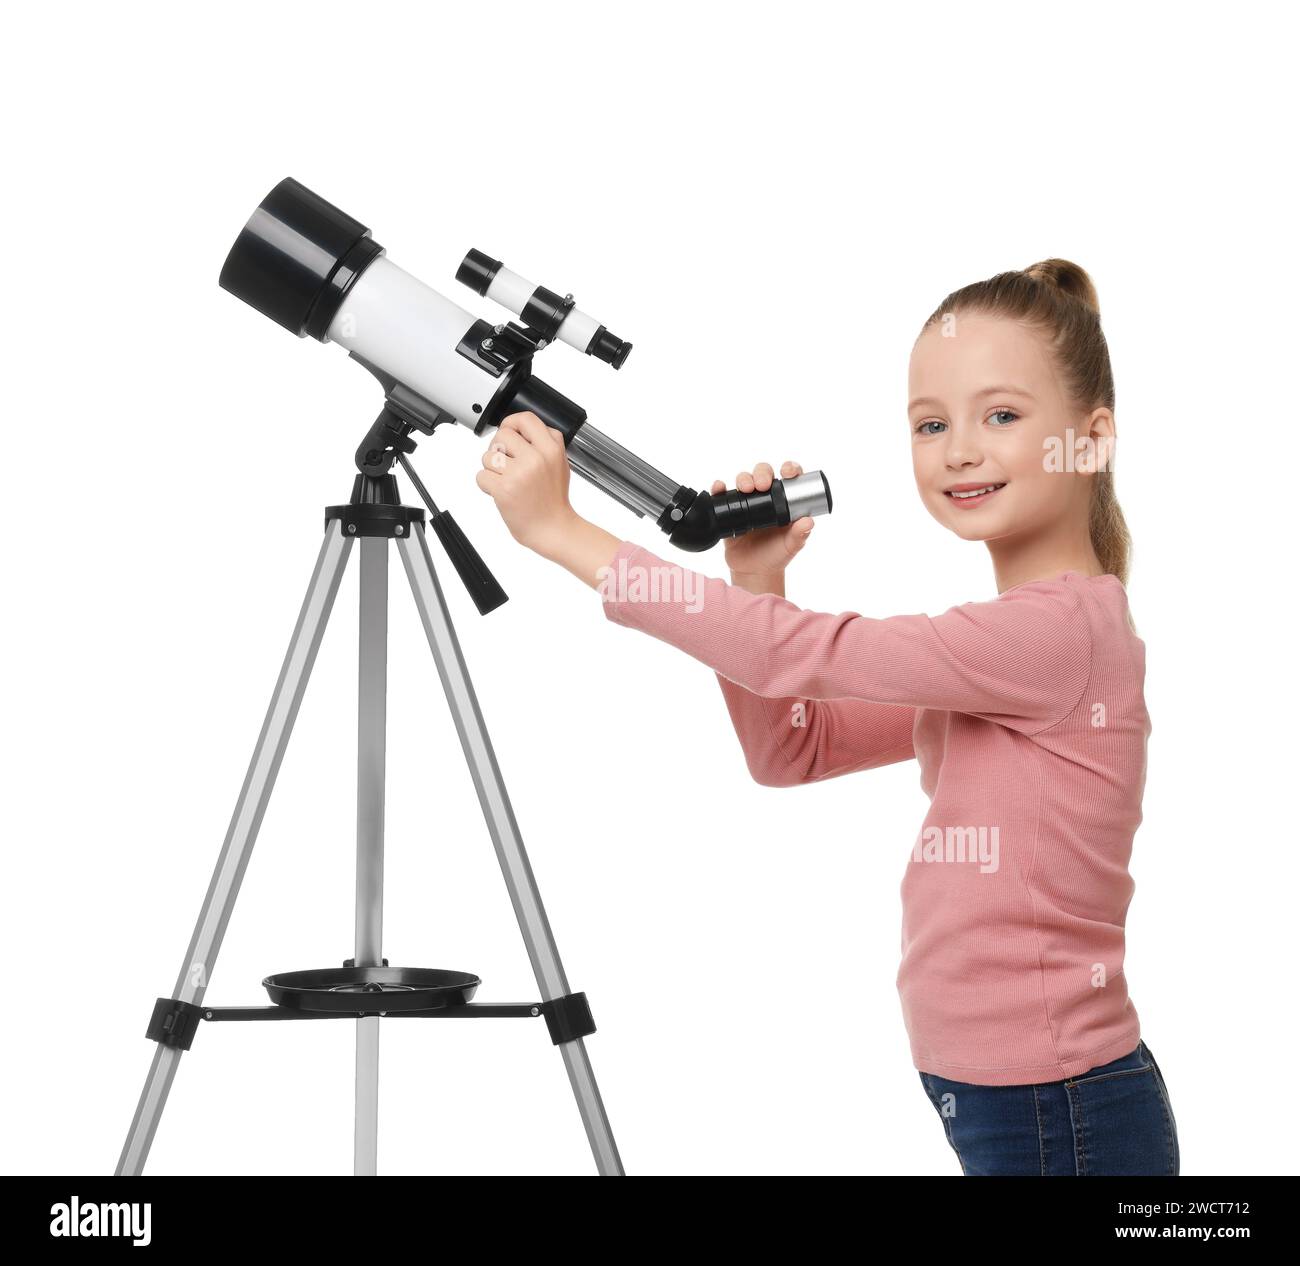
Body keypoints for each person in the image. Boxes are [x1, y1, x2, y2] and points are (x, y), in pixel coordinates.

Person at [473, 258, 1178, 1177]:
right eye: (932, 424)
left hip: (1059, 1108)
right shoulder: (1007, 652)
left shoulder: (1055, 634)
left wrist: (565, 535)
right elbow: (792, 748)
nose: (959, 448)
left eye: (1001, 415)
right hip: (1009, 1096)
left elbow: (799, 652)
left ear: (1089, 439)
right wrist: (757, 579)